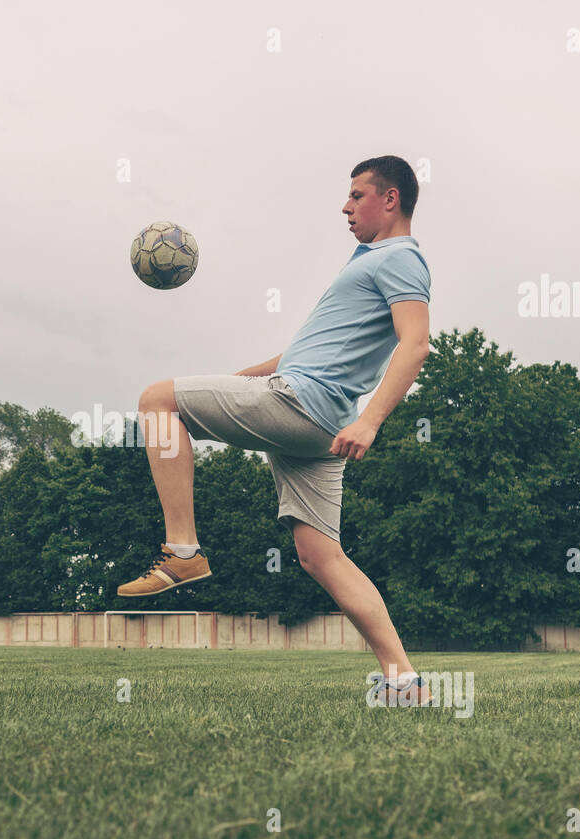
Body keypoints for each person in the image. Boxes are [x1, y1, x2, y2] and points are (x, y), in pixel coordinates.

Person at [118, 155, 434, 705]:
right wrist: (234, 385)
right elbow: (300, 354)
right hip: (315, 423)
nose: (345, 206)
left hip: (302, 407)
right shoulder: (368, 263)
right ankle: (404, 682)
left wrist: (371, 421)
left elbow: (416, 344)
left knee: (155, 399)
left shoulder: (401, 260)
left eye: (357, 195)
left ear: (390, 199)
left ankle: (183, 550)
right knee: (321, 557)